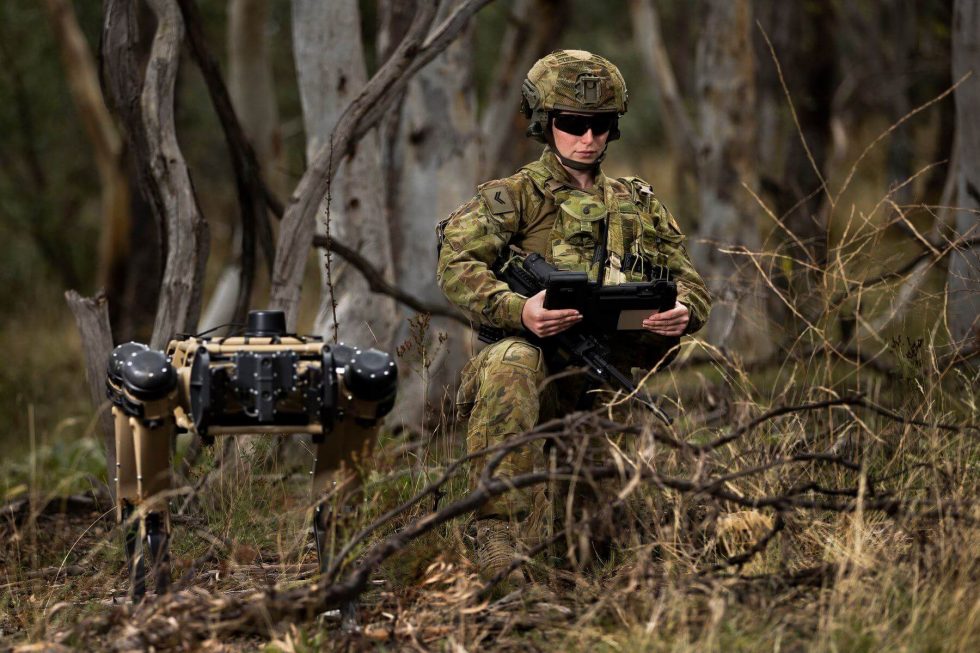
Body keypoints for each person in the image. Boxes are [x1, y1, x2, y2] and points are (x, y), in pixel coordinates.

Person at [436, 49, 711, 580]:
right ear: (545, 122)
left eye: (601, 124)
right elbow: (456, 265)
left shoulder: (639, 204)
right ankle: (495, 532)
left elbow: (690, 279)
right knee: (513, 358)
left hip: (599, 369)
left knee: (597, 544)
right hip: (525, 370)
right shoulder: (511, 198)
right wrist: (518, 310)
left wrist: (683, 311)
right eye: (572, 123)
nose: (587, 138)